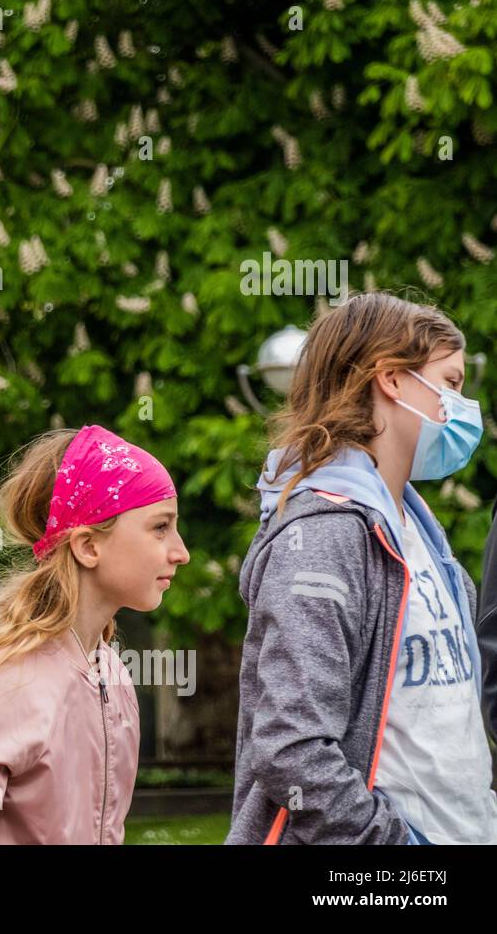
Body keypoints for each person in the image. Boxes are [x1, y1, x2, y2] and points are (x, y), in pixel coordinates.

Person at [227, 292, 496, 844]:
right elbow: (291, 748)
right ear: (392, 379)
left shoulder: (418, 529)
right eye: (450, 383)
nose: (461, 408)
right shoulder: (324, 535)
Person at [0, 424, 189, 844]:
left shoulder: (112, 672)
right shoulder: (8, 679)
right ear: (88, 546)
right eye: (160, 527)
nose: (180, 552)